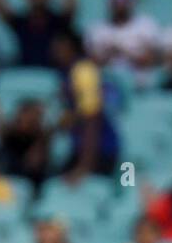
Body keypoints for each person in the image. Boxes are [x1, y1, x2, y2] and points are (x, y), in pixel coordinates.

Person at [51, 32, 120, 182]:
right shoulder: (66, 72)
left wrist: (84, 167)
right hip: (79, 148)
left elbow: (92, 120)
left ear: (72, 48)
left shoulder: (84, 71)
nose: (55, 51)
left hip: (100, 151)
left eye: (60, 47)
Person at [85, 0, 164, 80]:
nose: (120, 1)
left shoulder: (147, 25)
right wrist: (109, 53)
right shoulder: (96, 30)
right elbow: (90, 63)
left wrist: (124, 51)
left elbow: (152, 60)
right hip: (104, 83)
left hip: (139, 83)